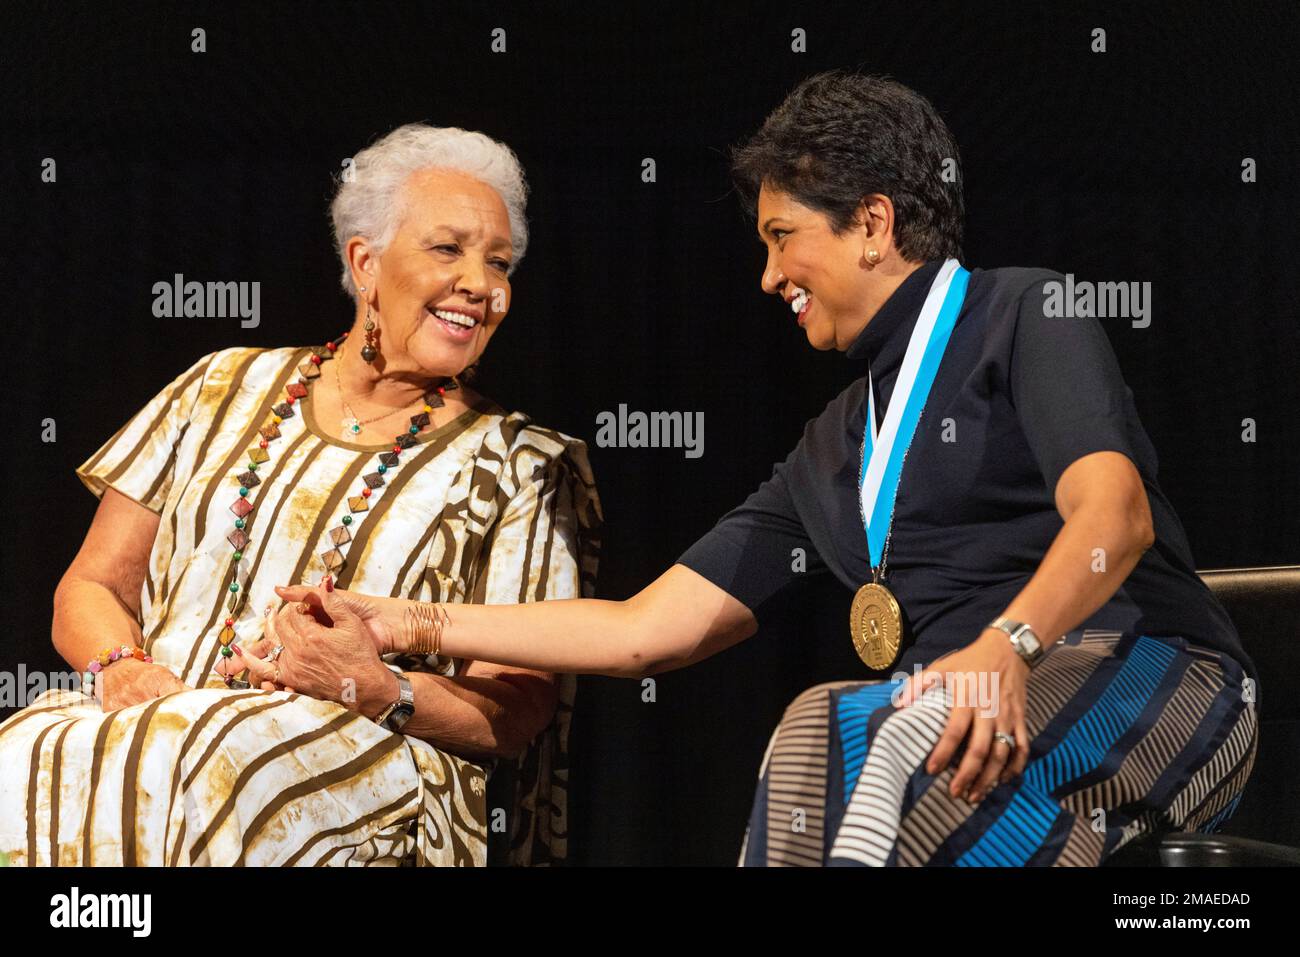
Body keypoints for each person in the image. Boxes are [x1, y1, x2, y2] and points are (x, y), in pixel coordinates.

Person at [256, 72, 1259, 866]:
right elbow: (647, 631)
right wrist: (405, 622)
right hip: (949, 725)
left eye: (783, 237)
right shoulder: (834, 447)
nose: (769, 274)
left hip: (1152, 676)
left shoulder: (1022, 311)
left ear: (871, 223)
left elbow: (1112, 516)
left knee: (876, 735)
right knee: (828, 730)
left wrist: (1007, 646)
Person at [0, 123, 601, 866]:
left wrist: (380, 688)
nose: (482, 284)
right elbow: (90, 584)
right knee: (23, 759)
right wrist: (125, 669)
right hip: (155, 725)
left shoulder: (525, 463)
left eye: (499, 261)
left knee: (217, 765)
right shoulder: (218, 387)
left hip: (368, 758)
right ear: (366, 262)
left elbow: (516, 709)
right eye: (448, 249)